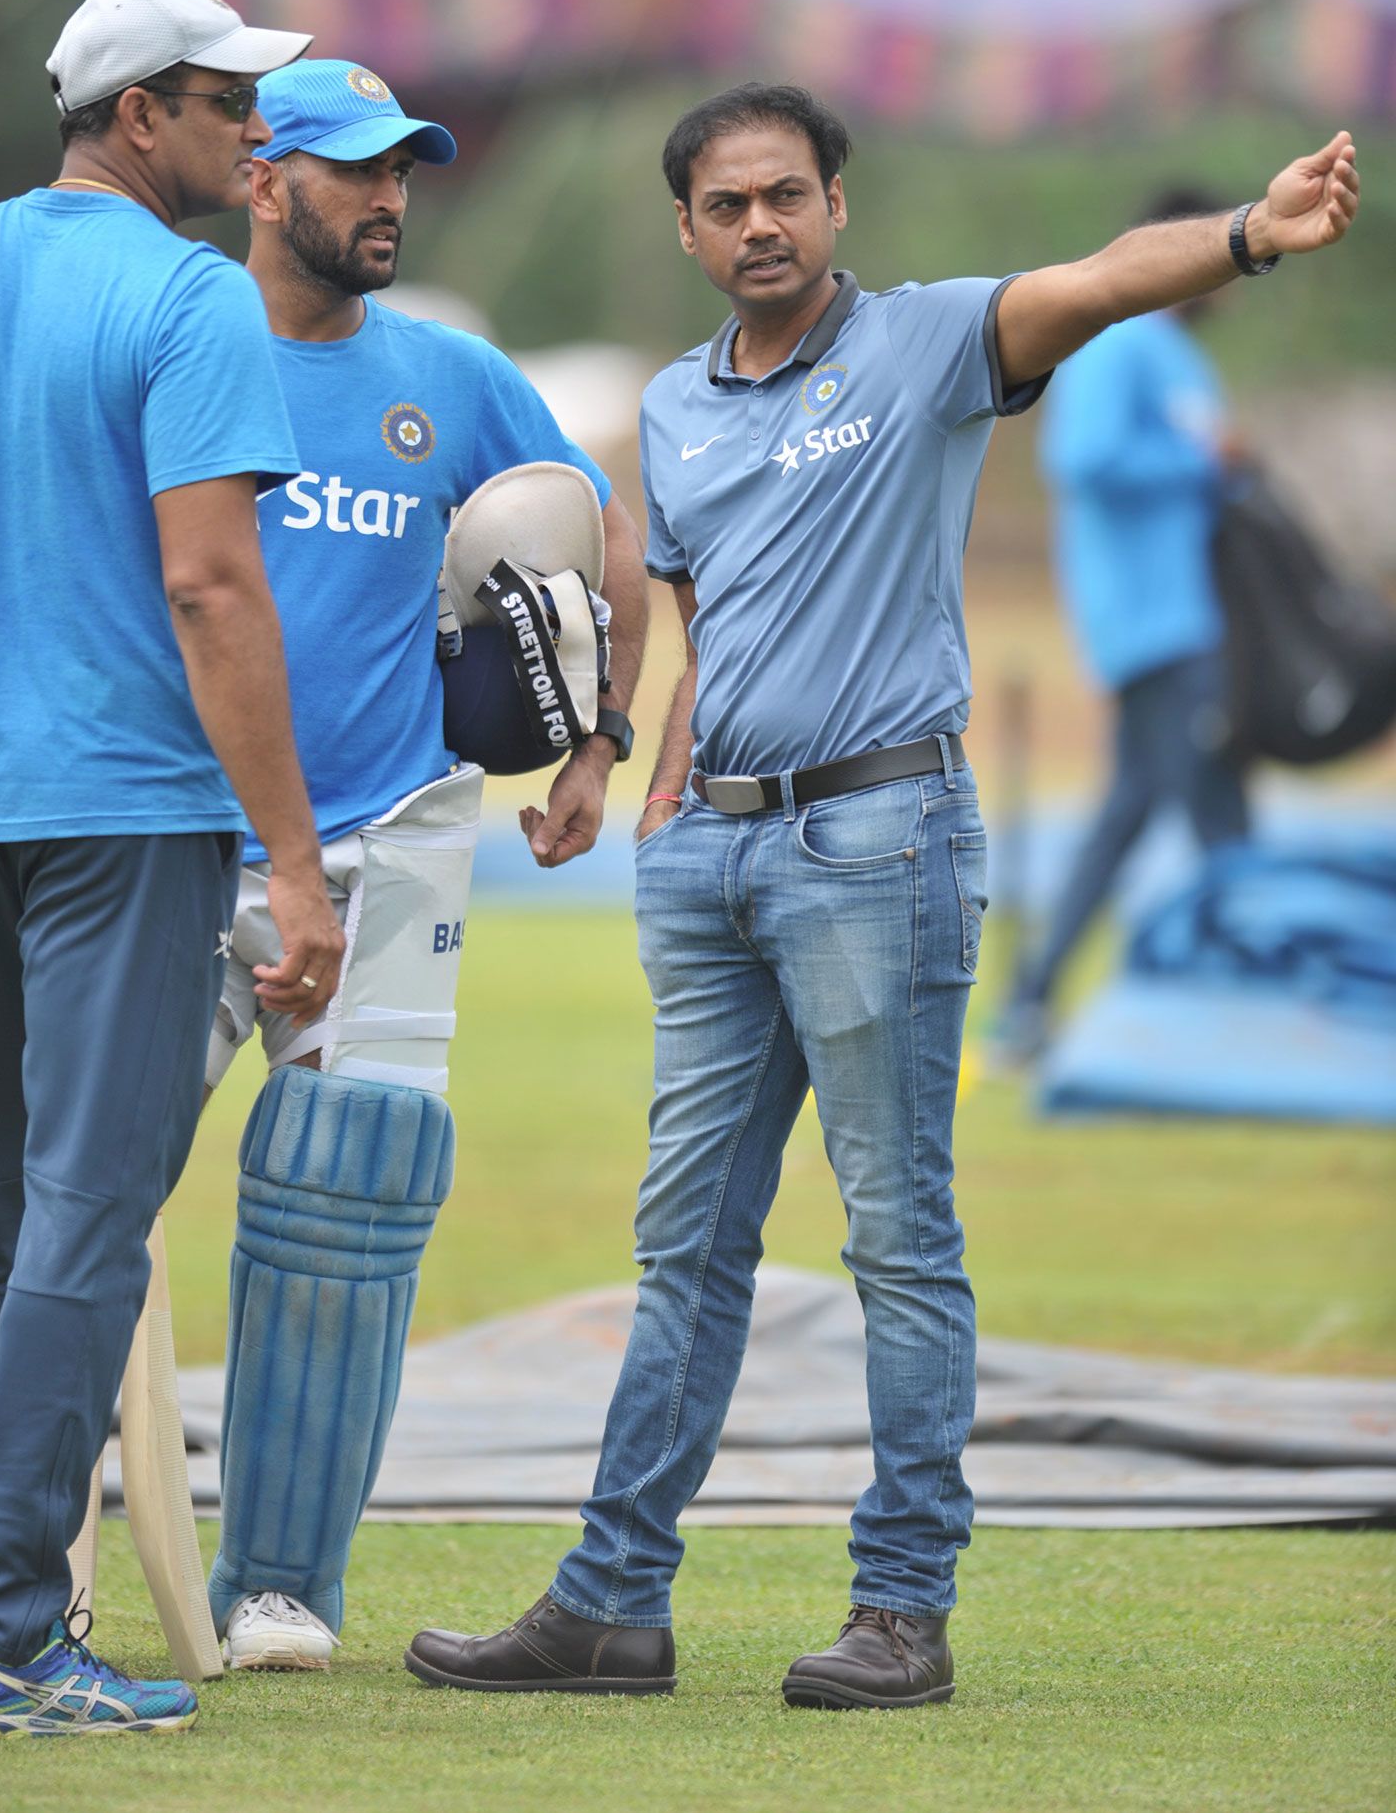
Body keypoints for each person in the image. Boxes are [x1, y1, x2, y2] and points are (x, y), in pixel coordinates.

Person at [403, 83, 1359, 1711]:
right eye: (728, 204)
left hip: (879, 840)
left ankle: (902, 1606)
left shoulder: (926, 347)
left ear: (837, 204)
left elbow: (1104, 279)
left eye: (787, 194)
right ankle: (614, 1601)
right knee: (684, 1242)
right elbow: (704, 627)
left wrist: (1245, 240)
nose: (760, 224)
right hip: (710, 857)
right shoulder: (678, 407)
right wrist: (629, 763)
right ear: (690, 229)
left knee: (897, 1239)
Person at [200, 59, 648, 1675]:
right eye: (354, 171)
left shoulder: (453, 379)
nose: (390, 198)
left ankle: (279, 1583)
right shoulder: (183, 344)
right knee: (69, 1202)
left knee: (350, 1205)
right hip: (177, 836)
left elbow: (593, 537)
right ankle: (33, 1562)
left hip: (396, 835)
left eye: (405, 172)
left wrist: (597, 736)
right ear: (263, 179)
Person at [0, 0, 342, 1739]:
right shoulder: (194, 292)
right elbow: (212, 586)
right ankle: (7, 1630)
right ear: (143, 119)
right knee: (86, 1216)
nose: (252, 133)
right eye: (226, 104)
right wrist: (295, 861)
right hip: (117, 807)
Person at [1002, 188, 1251, 1057]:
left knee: (1134, 810)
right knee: (1221, 813)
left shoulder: (1183, 357)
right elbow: (1081, 456)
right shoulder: (1121, 341)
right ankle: (1271, 998)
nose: (1233, 280)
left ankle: (1029, 1002)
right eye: (1226, 255)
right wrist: (1198, 461)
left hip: (1194, 614)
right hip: (1151, 622)